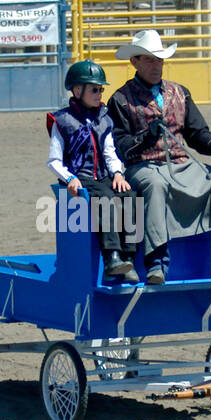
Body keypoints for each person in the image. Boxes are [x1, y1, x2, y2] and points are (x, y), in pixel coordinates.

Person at [106, 29, 211, 285]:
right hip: (144, 166)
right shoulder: (120, 99)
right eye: (150, 59)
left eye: (159, 59)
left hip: (182, 164)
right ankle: (157, 263)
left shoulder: (180, 92)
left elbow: (198, 135)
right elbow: (120, 147)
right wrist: (145, 137)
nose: (156, 65)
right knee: (156, 185)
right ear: (135, 62)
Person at [47, 60, 140, 283]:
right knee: (105, 198)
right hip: (81, 179)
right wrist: (69, 178)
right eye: (94, 89)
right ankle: (112, 257)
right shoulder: (63, 120)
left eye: (101, 89)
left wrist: (118, 173)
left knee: (129, 196)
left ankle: (128, 256)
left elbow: (110, 153)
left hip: (104, 177)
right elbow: (54, 160)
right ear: (77, 90)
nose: (99, 93)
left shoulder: (104, 119)